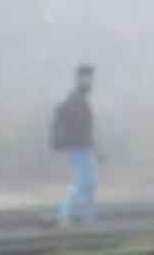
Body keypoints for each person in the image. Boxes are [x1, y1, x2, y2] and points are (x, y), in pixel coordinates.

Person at [51, 64, 97, 226]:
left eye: (90, 78)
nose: (90, 81)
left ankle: (86, 218)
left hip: (84, 148)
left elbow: (85, 129)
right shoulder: (75, 99)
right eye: (86, 78)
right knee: (82, 183)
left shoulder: (80, 100)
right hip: (79, 149)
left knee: (88, 184)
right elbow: (76, 127)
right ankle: (66, 216)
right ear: (79, 79)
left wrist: (94, 148)